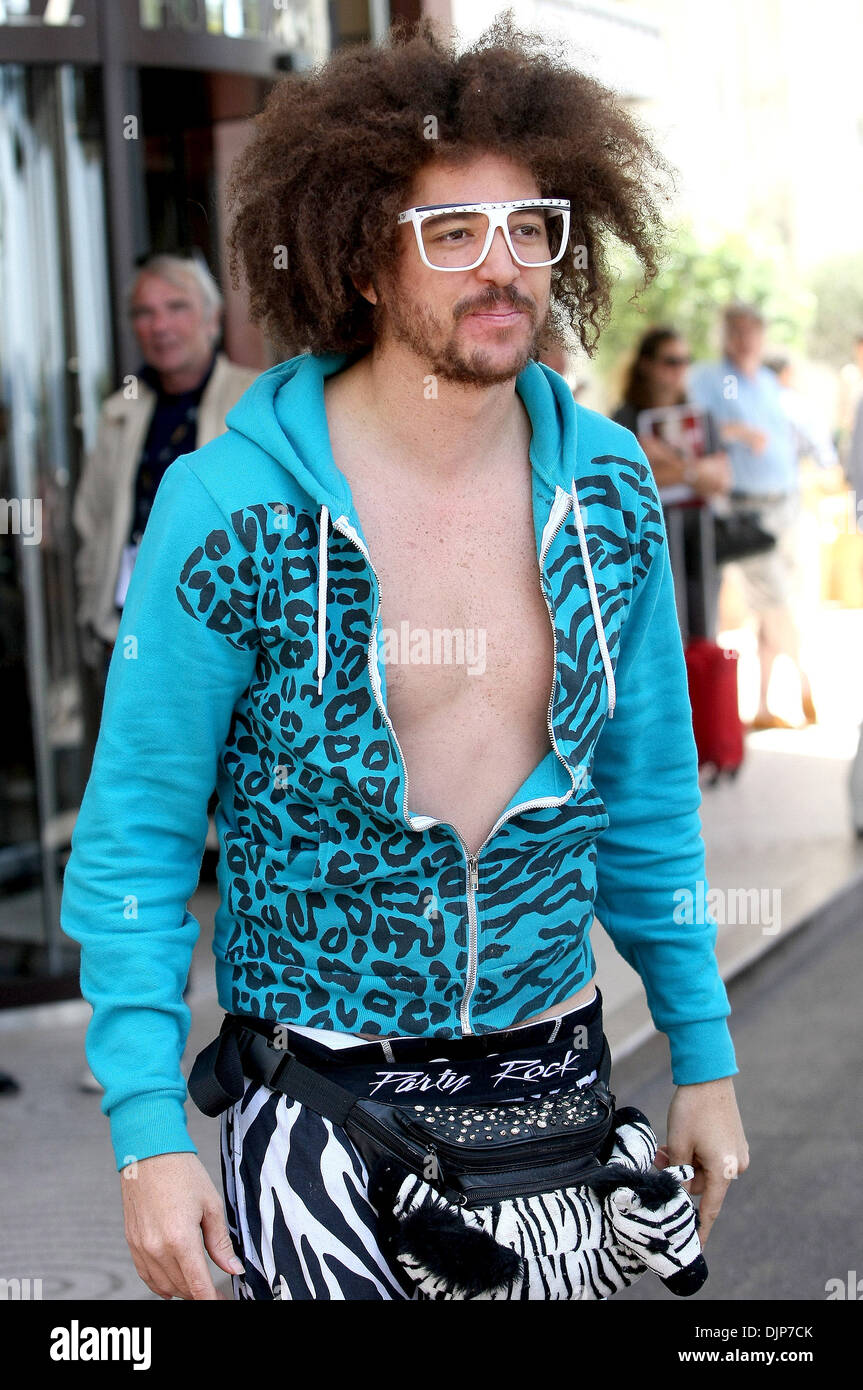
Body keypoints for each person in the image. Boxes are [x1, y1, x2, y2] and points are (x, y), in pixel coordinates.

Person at [60, 19, 748, 1302]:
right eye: (450, 235)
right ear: (365, 259)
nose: (502, 271)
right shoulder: (228, 507)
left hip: (555, 1092)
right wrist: (147, 1130)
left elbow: (646, 797)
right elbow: (139, 835)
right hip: (319, 1101)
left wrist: (701, 1053)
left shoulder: (605, 486)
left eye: (529, 228)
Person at [72, 253, 258, 701]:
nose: (160, 325)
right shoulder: (120, 411)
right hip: (131, 634)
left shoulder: (254, 399)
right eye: (144, 313)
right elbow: (91, 522)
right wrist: (96, 613)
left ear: (212, 319)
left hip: (224, 640)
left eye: (176, 307)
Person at [690, 303, 817, 730]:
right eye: (737, 331)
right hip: (746, 513)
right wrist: (738, 433)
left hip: (785, 506)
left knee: (774, 609)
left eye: (753, 331)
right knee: (777, 602)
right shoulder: (716, 380)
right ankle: (805, 684)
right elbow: (702, 429)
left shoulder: (767, 382)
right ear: (727, 335)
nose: (745, 339)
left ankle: (763, 707)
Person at [612, 326, 732, 640]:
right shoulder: (624, 420)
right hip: (647, 546)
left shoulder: (702, 417)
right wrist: (695, 473)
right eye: (670, 361)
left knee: (703, 633)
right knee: (661, 635)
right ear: (646, 365)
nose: (680, 369)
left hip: (701, 541)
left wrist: (666, 461)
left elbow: (720, 479)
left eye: (685, 361)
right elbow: (630, 482)